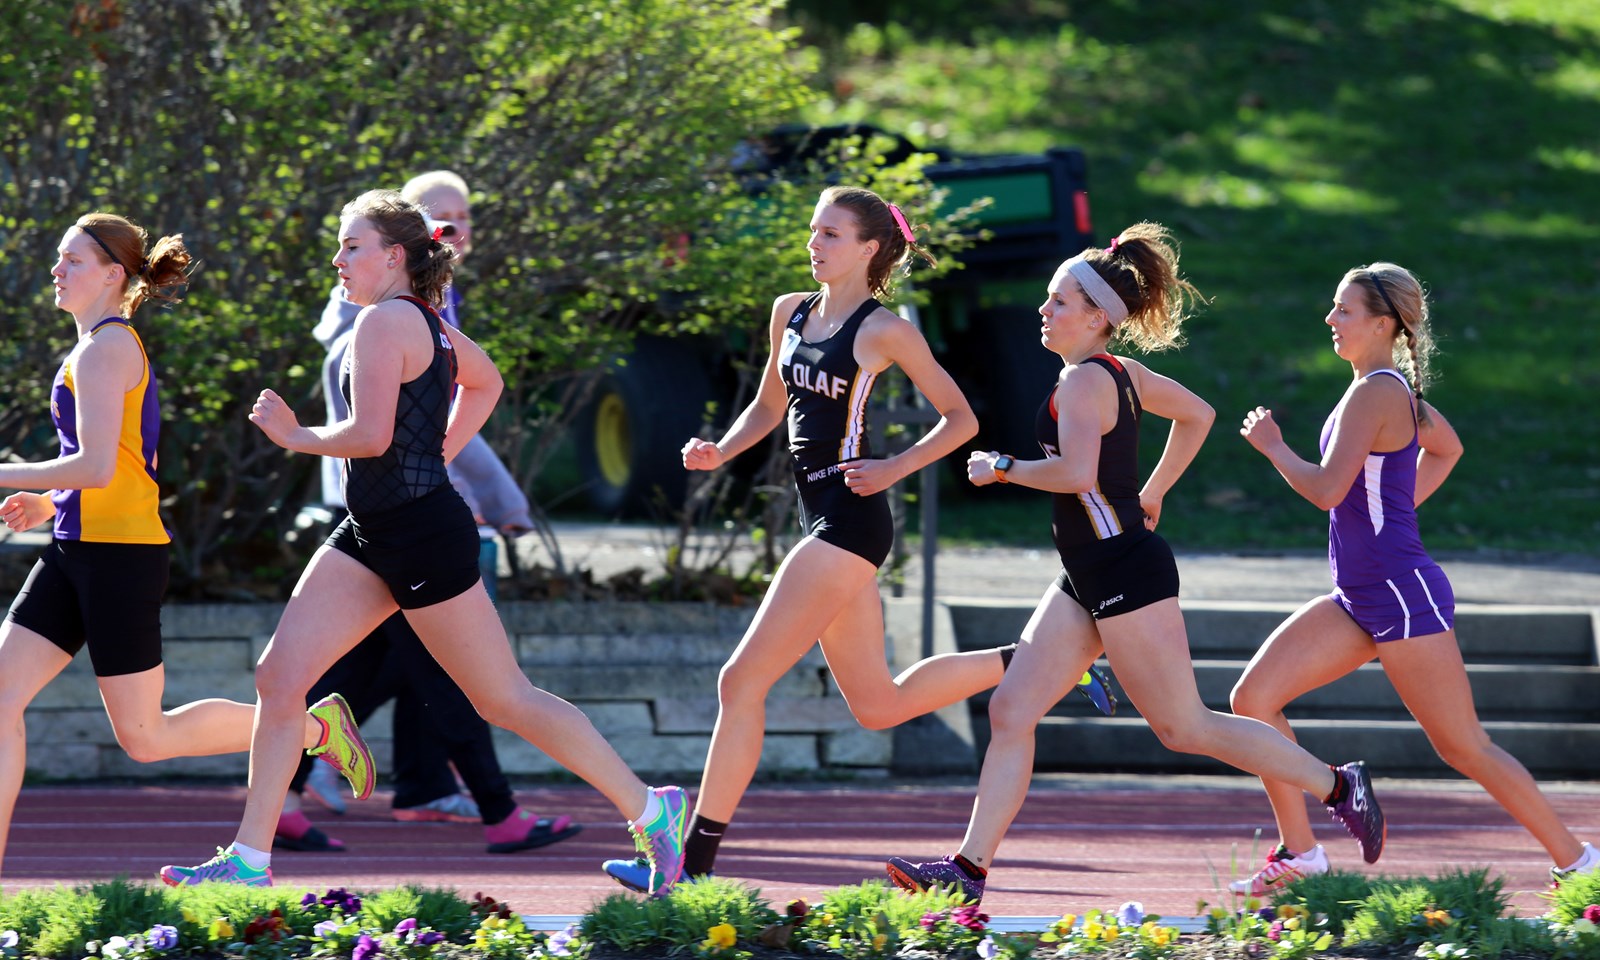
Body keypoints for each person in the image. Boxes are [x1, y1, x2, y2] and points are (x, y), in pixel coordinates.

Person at [159, 190, 688, 893]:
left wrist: (296, 436)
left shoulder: (385, 322)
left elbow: (371, 435)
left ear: (394, 256)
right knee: (279, 679)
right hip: (370, 531)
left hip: (420, 537)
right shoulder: (423, 321)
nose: (338, 259)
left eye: (352, 246)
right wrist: (438, 452)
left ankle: (651, 809)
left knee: (504, 699)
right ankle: (248, 861)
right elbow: (486, 382)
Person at [882, 224, 1386, 904]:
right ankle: (968, 874)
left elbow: (1075, 473)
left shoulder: (1084, 381)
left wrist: (1003, 467)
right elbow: (1198, 414)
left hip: (1123, 571)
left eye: (1059, 301)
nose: (1044, 310)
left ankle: (1338, 785)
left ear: (1097, 317)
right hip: (1088, 575)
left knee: (1185, 726)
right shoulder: (1121, 373)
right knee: (1012, 709)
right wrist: (1154, 492)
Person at [603, 185, 1010, 891]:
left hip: (851, 521)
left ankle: (689, 866)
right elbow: (769, 405)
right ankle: (1037, 659)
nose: (814, 244)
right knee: (878, 705)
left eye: (831, 234)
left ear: (869, 248)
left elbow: (962, 419)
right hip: (818, 517)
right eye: (814, 231)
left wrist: (894, 467)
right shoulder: (789, 311)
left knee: (740, 681)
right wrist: (721, 451)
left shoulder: (885, 331)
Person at [0, 213, 369, 880]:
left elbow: (95, 468)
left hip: (120, 559)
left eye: (73, 260)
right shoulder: (93, 348)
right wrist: (48, 503)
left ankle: (313, 730)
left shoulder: (107, 348)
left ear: (112, 275)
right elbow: (115, 465)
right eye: (59, 258)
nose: (57, 270)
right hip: (74, 547)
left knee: (147, 738)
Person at [1229, 262, 1599, 895]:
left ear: (1382, 325)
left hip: (1400, 594)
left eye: (1344, 310)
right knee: (1253, 701)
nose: (1331, 319)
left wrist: (1273, 447)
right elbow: (1446, 449)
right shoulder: (1381, 389)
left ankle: (1579, 863)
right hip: (1358, 597)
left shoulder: (1377, 391)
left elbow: (1326, 490)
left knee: (1464, 746)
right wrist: (1396, 510)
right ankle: (1302, 852)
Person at [278, 170, 566, 857]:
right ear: (404, 245)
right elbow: (380, 432)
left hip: (410, 520)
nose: (453, 232)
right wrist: (477, 485)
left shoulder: (410, 315)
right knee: (350, 675)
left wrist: (461, 472)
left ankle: (424, 790)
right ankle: (477, 804)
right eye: (441, 219)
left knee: (430, 678)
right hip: (383, 519)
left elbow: (468, 392)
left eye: (462, 218)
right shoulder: (377, 318)